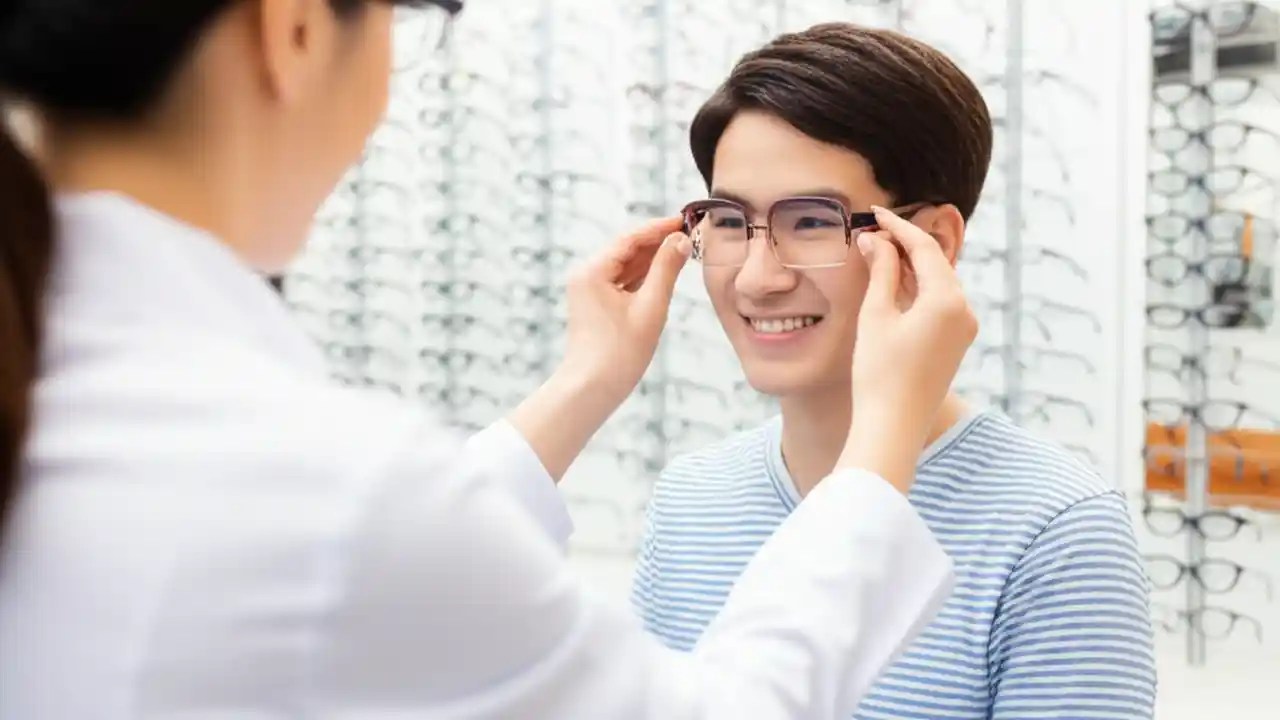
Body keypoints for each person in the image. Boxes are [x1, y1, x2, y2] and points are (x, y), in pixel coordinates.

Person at [0, 2, 982, 718]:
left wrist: (584, 384)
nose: (761, 274)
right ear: (293, 31)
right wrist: (885, 433)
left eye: (808, 221)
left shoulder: (87, 395)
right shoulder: (322, 484)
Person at [632, 23, 1158, 720]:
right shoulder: (690, 500)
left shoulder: (1054, 529)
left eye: (812, 222)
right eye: (729, 221)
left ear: (930, 243)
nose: (758, 279)